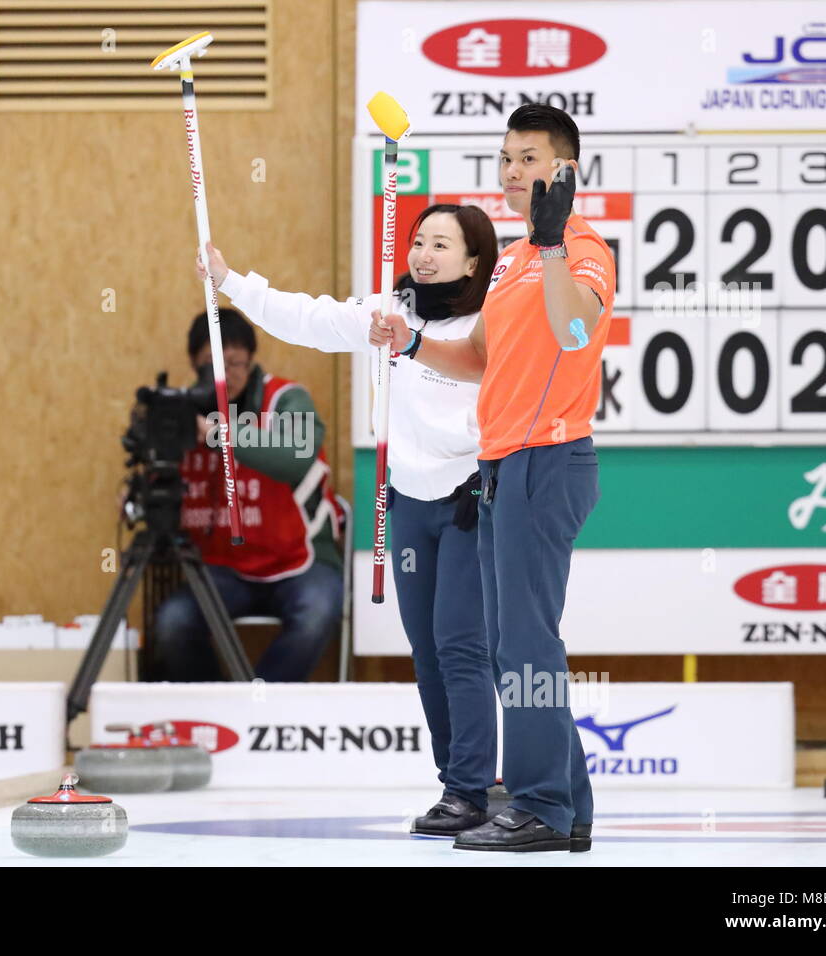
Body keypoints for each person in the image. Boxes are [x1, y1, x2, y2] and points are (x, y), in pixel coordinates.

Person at [199, 204, 502, 836]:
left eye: (440, 245)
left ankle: (474, 786)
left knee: (461, 645)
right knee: (425, 650)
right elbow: (306, 317)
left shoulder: (489, 321)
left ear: (473, 261)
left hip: (471, 499)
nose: (423, 253)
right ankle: (459, 786)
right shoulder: (386, 311)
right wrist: (231, 281)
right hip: (408, 502)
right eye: (418, 241)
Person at [371, 104, 614, 852]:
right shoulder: (507, 260)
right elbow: (479, 359)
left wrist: (547, 248)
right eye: (506, 158)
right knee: (515, 641)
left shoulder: (581, 250)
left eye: (529, 159)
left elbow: (576, 331)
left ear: (565, 170)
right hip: (501, 463)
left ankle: (540, 803)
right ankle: (568, 806)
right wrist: (412, 343)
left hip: (550, 457)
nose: (512, 172)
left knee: (526, 643)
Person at [153, 308, 343, 683]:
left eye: (236, 363)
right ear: (194, 362)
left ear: (252, 359)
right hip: (224, 567)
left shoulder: (286, 399)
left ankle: (258, 712)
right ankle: (216, 712)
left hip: (299, 561)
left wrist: (214, 433)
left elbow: (296, 456)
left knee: (317, 613)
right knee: (173, 623)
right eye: (212, 363)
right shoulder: (183, 409)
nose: (226, 375)